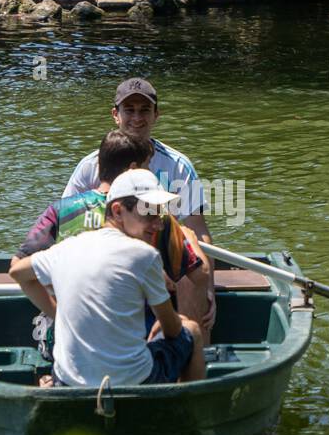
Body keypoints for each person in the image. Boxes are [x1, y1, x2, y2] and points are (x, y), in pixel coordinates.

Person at [17, 130, 212, 360]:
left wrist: (58, 314)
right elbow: (200, 274)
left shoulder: (60, 210)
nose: (149, 173)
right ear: (132, 171)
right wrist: (188, 237)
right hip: (133, 343)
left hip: (65, 343)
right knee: (189, 332)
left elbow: (17, 266)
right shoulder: (154, 218)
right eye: (146, 167)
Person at [9, 169, 206, 387]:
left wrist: (56, 312)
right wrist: (178, 321)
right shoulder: (145, 255)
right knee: (192, 331)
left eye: (160, 215)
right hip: (134, 381)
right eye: (149, 214)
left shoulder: (65, 248)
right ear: (118, 211)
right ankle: (188, 414)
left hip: (68, 381)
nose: (159, 224)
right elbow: (172, 330)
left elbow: (18, 273)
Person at [62, 76, 215, 330]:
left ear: (156, 115)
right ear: (115, 114)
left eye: (145, 110)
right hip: (103, 258)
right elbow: (68, 222)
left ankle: (198, 356)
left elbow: (198, 230)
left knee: (191, 270)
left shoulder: (178, 165)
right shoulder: (89, 166)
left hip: (165, 256)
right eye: (129, 110)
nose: (137, 118)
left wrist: (209, 290)